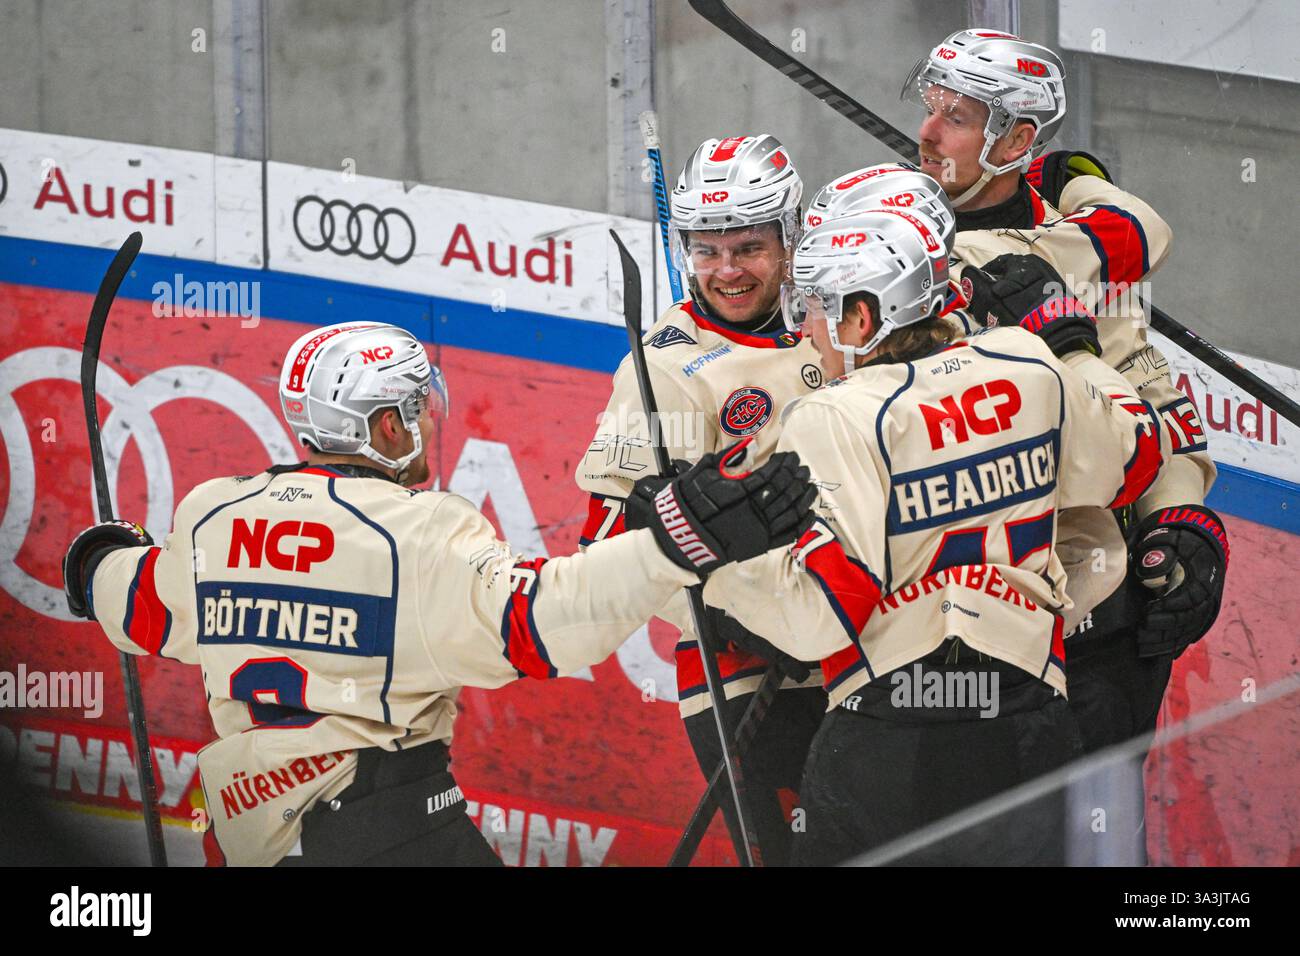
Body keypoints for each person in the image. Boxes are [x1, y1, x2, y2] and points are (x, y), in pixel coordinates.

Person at [62, 321, 815, 866]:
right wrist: (675, 545)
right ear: (389, 424)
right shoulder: (415, 534)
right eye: (420, 405)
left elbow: (138, 607)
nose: (433, 417)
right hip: (384, 829)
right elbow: (542, 624)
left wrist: (96, 559)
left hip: (243, 834)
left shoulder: (213, 513)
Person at [701, 208, 1171, 865]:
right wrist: (1075, 350)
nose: (806, 331)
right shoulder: (1028, 367)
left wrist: (711, 562)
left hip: (886, 746)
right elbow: (1140, 459)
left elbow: (812, 624)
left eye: (815, 308)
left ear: (863, 318)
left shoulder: (831, 417)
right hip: (1029, 729)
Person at [901, 29, 1227, 861]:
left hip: (1085, 615)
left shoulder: (1081, 260)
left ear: (1016, 143)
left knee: (1096, 845)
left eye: (959, 118)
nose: (928, 133)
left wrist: (1181, 514)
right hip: (935, 622)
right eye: (929, 106)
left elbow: (1149, 391)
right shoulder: (890, 250)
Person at [575, 134, 826, 864]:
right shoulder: (667, 367)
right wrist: (735, 612)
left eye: (748, 247)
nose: (726, 272)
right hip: (751, 672)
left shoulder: (839, 316)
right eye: (706, 250)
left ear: (791, 236)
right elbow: (605, 549)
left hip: (862, 633)